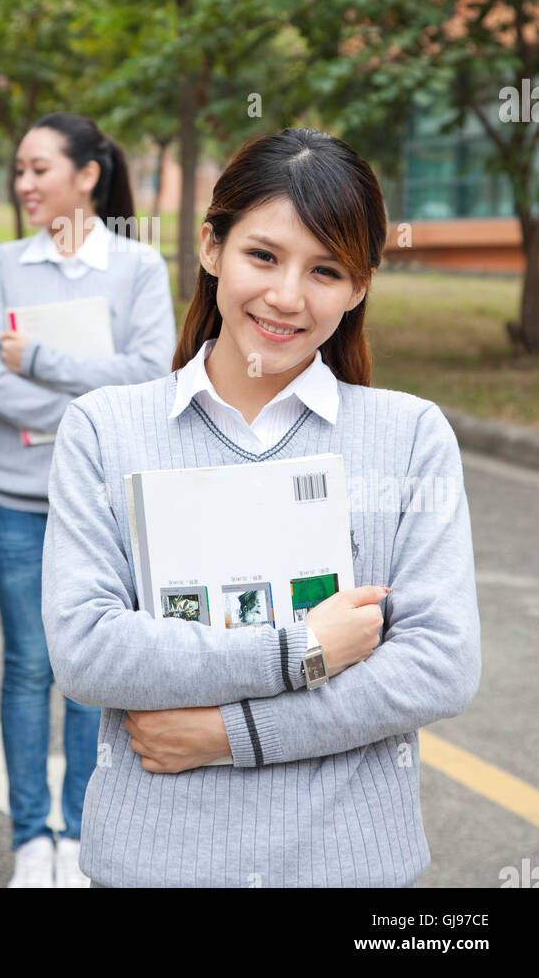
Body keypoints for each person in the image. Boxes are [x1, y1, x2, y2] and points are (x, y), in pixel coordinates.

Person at [42, 125, 481, 889]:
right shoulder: (105, 429)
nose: (286, 297)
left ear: (359, 287)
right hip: (155, 865)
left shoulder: (409, 437)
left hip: (352, 871)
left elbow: (439, 664)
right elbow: (88, 649)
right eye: (263, 256)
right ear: (211, 247)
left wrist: (230, 733)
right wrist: (303, 650)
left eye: (326, 270)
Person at [0, 112, 176, 887]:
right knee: (26, 666)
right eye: (18, 170)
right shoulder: (3, 266)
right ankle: (30, 840)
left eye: (38, 169)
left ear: (87, 175)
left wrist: (43, 361)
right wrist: (88, 402)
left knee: (95, 676)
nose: (23, 185)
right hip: (14, 497)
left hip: (102, 507)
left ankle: (84, 840)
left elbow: (153, 375)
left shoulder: (139, 268)